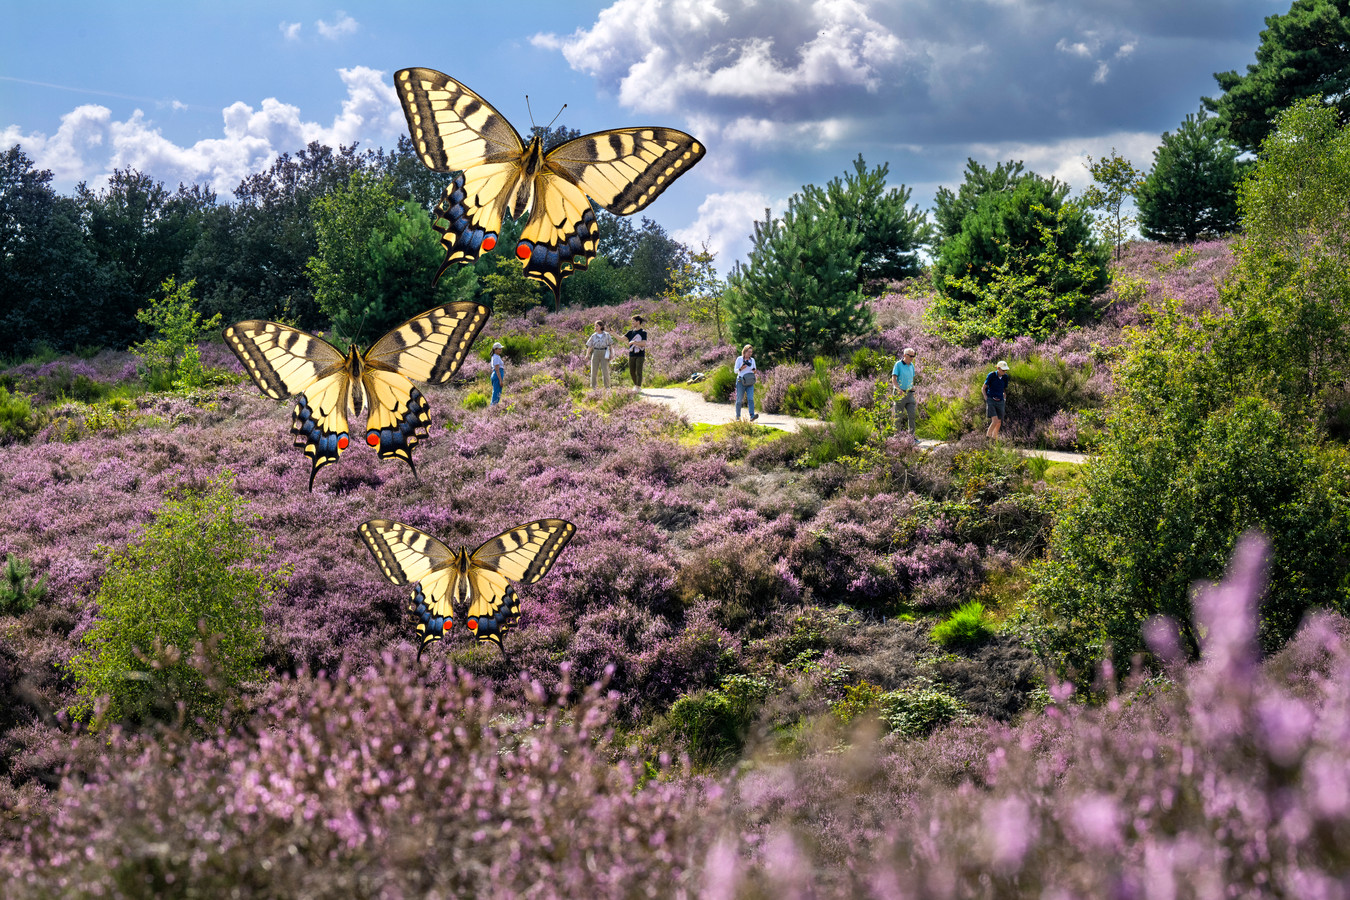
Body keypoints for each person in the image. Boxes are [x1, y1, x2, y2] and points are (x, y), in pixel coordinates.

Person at [890, 347, 918, 434]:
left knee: (912, 415)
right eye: (911, 356)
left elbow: (911, 378)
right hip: (900, 393)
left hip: (910, 394)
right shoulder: (898, 364)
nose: (912, 358)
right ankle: (896, 437)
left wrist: (912, 386)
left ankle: (911, 437)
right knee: (898, 416)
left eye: (914, 356)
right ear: (905, 355)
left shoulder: (912, 365)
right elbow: (893, 378)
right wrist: (899, 389)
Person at [983, 360, 1010, 438]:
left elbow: (1004, 388)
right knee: (994, 421)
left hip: (1000, 400)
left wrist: (1004, 395)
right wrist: (986, 398)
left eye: (1005, 370)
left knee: (999, 422)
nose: (1004, 371)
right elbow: (983, 388)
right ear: (998, 368)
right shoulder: (991, 375)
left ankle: (994, 439)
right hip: (991, 399)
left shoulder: (1005, 377)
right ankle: (988, 438)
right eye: (1003, 370)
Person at [585, 320, 613, 389]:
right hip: (596, 352)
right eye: (595, 326)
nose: (596, 327)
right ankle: (593, 387)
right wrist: (587, 354)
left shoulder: (607, 335)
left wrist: (611, 354)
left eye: (597, 326)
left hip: (604, 352)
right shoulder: (593, 336)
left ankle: (607, 386)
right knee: (594, 370)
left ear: (601, 326)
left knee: (605, 370)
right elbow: (590, 346)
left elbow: (610, 345)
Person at [733, 344, 758, 421]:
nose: (750, 354)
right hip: (741, 381)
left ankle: (752, 416)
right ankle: (738, 417)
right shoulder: (739, 359)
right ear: (744, 351)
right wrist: (741, 368)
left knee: (750, 399)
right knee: (739, 400)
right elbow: (735, 371)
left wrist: (754, 371)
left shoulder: (752, 360)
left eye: (751, 352)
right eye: (748, 352)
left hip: (750, 382)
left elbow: (755, 370)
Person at [624, 314, 648, 391]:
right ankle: (636, 385)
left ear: (638, 322)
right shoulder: (630, 332)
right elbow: (621, 339)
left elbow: (644, 343)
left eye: (633, 321)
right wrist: (613, 333)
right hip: (631, 354)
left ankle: (638, 387)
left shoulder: (643, 332)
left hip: (640, 355)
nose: (632, 323)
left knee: (638, 371)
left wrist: (634, 342)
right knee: (631, 371)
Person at [489, 342, 505, 406]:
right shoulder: (496, 357)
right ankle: (492, 409)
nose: (500, 350)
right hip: (497, 375)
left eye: (501, 349)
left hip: (497, 375)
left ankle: (494, 408)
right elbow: (497, 369)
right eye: (499, 349)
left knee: (497, 393)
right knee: (496, 393)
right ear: (495, 349)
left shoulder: (496, 356)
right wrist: (500, 380)